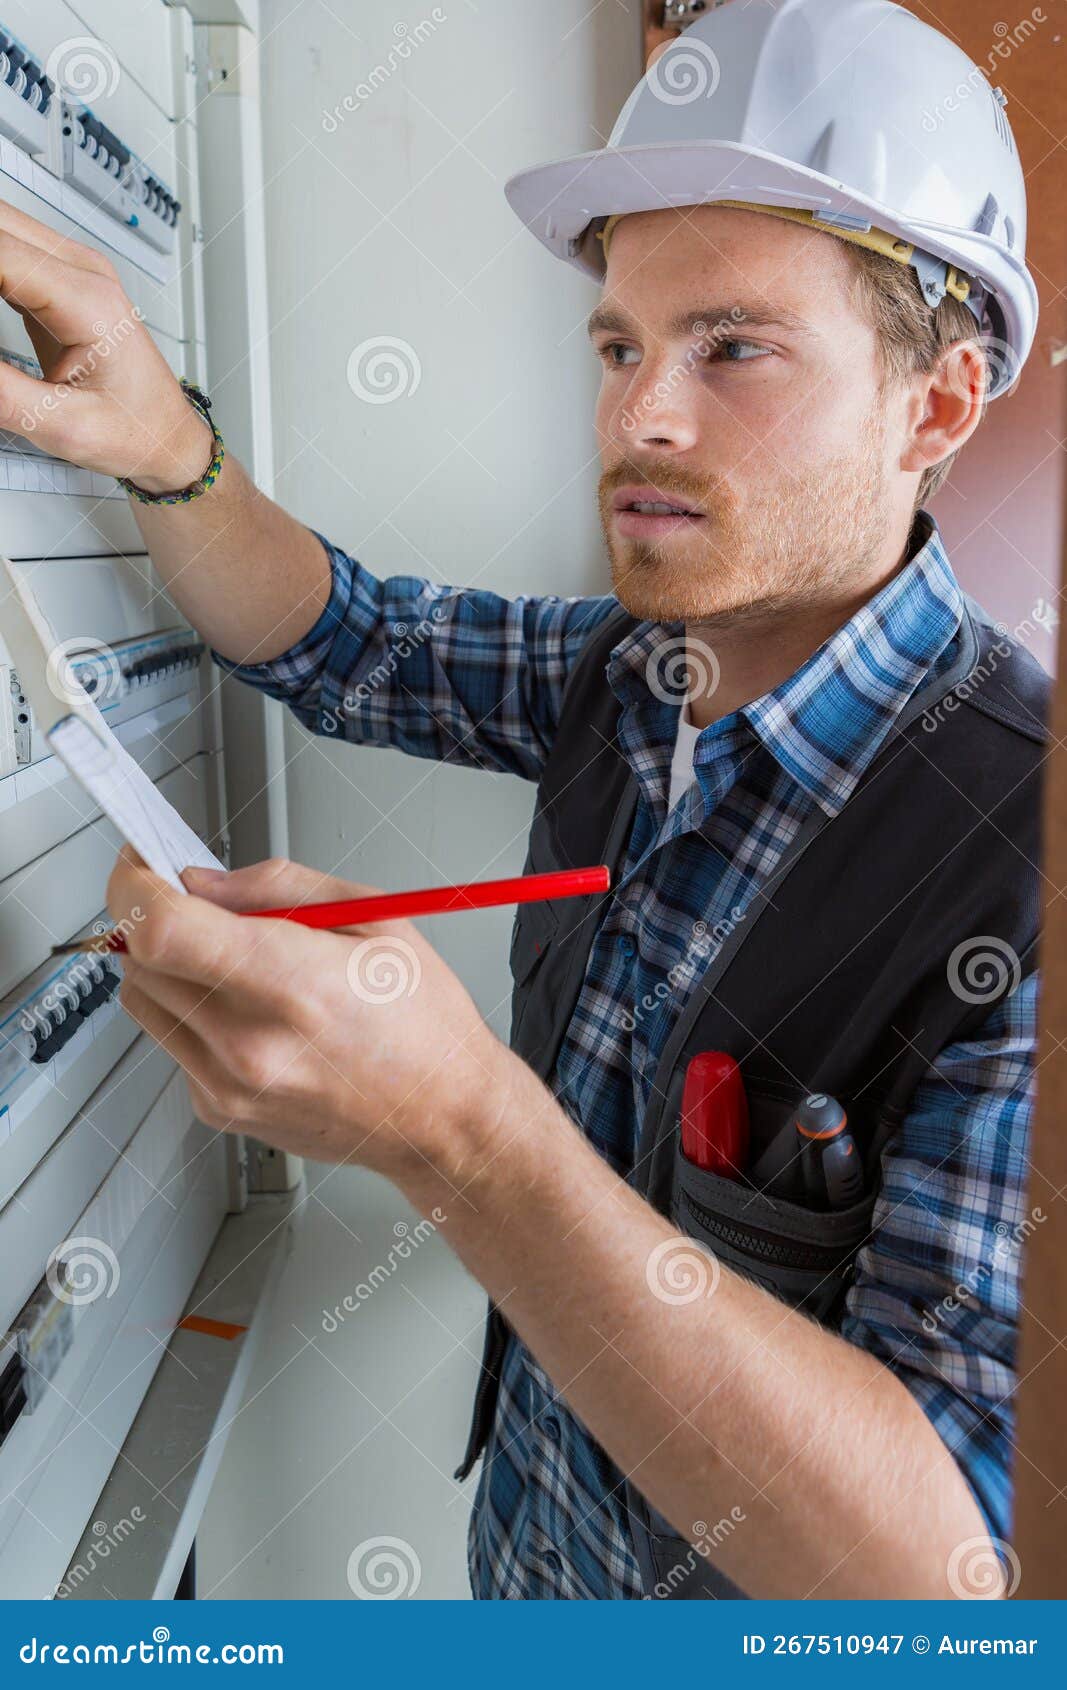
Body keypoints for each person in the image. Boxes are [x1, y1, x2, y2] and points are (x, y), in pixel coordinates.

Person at [0, 0, 1046, 1600]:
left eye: (733, 347)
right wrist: (164, 442)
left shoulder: (1025, 864)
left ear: (940, 404)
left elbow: (950, 1572)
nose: (641, 416)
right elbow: (342, 638)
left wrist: (457, 1133)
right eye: (621, 345)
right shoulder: (631, 675)